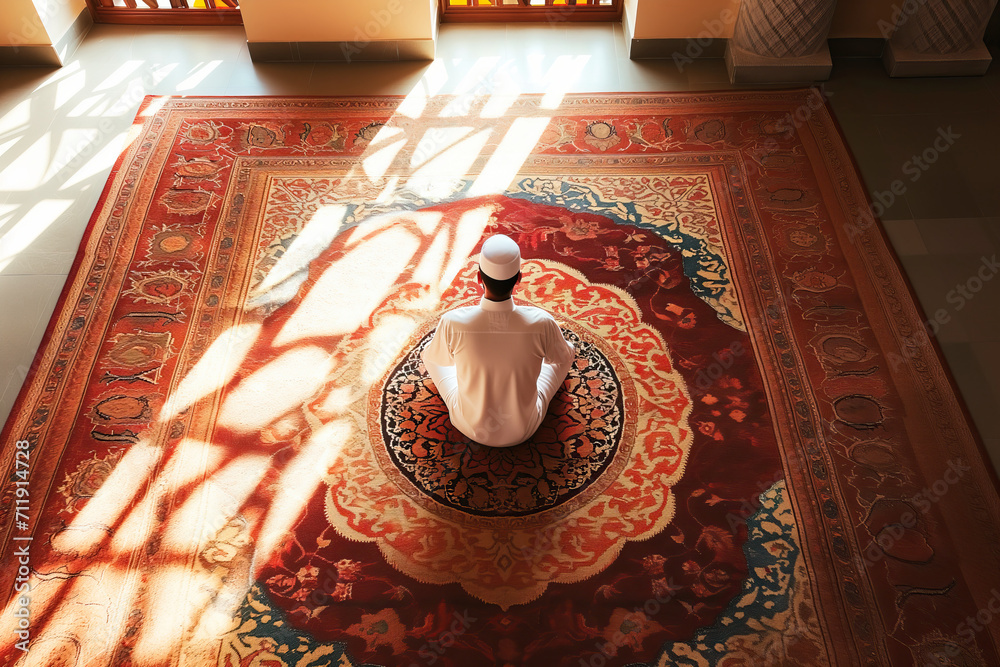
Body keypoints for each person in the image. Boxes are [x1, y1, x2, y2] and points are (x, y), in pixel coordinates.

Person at [421, 234, 576, 447]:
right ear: (519, 279)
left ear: (478, 278)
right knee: (566, 355)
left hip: (469, 425)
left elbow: (441, 361)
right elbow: (562, 358)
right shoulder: (541, 322)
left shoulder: (452, 322)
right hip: (524, 428)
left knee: (430, 355)